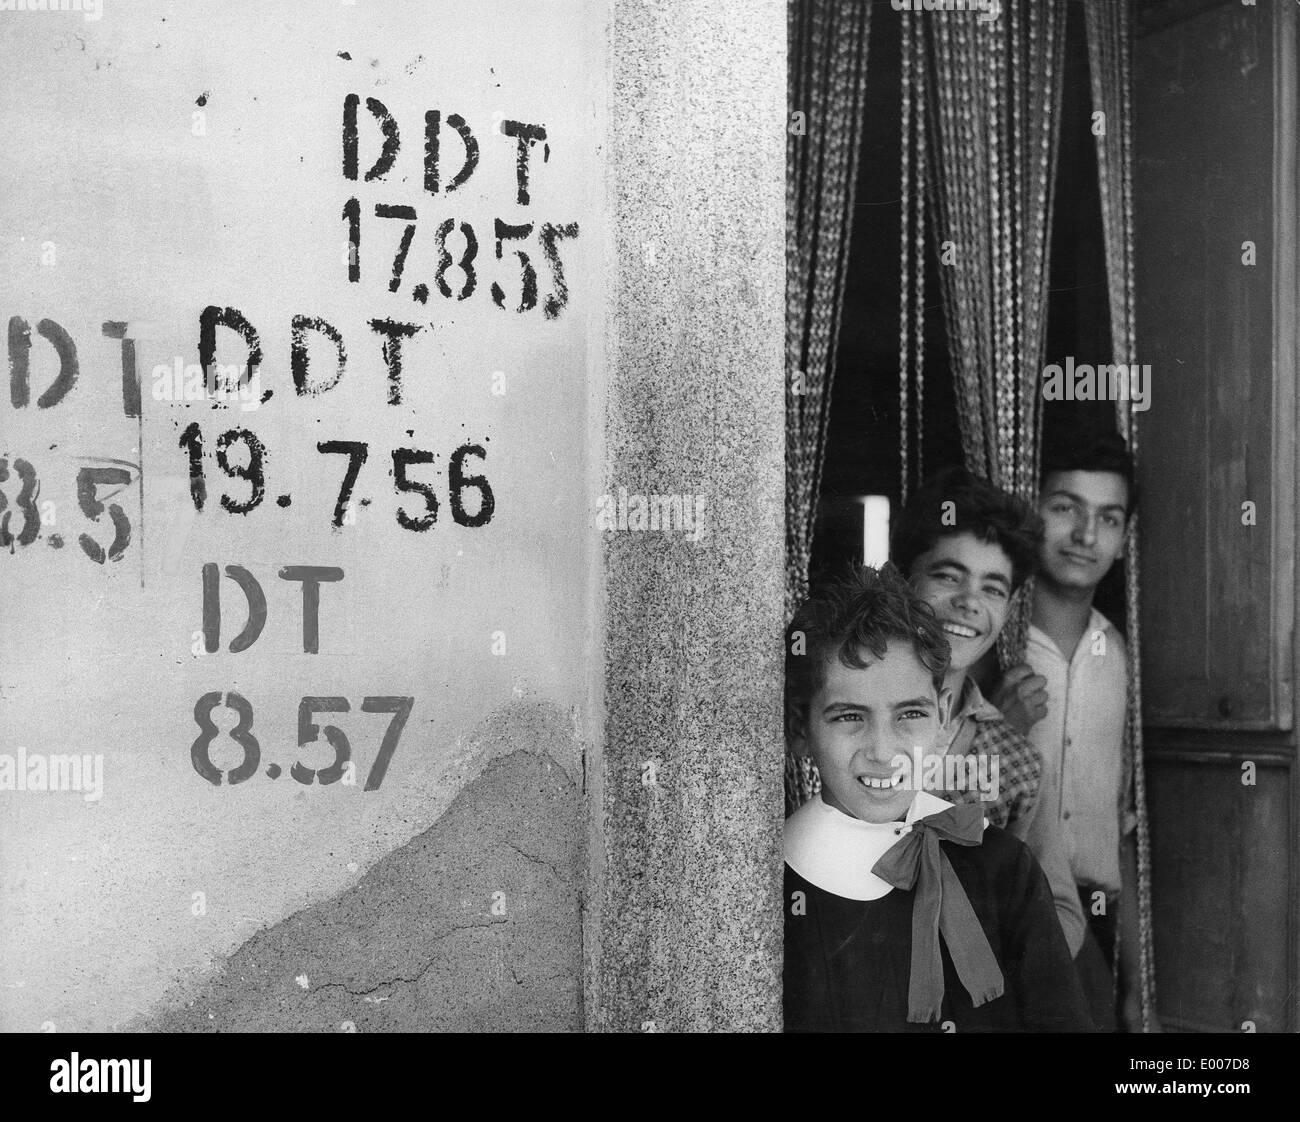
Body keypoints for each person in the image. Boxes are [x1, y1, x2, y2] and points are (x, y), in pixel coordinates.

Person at [783, 563, 1093, 1032]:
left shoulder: (1004, 869)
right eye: (849, 717)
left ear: (942, 713)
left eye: (909, 713)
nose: (884, 752)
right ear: (800, 730)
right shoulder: (777, 887)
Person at [991, 430, 1155, 1032]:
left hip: (1097, 929)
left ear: (1122, 539)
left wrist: (1139, 991)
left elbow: (1123, 833)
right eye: (1065, 508)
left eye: (1108, 518)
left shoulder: (1121, 659)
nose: (1087, 535)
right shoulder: (989, 643)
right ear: (1031, 511)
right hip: (1004, 927)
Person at [890, 467, 1086, 957]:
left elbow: (1061, 910)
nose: (968, 603)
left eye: (993, 588)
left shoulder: (1015, 759)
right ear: (899, 582)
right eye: (947, 576)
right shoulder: (844, 718)